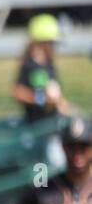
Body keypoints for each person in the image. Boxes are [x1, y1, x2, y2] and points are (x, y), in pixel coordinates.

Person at [14, 13, 71, 171]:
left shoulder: (49, 66)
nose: (54, 48)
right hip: (39, 129)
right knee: (51, 168)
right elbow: (18, 91)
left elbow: (55, 94)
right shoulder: (30, 66)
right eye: (51, 43)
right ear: (41, 43)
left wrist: (61, 103)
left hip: (53, 127)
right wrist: (41, 99)